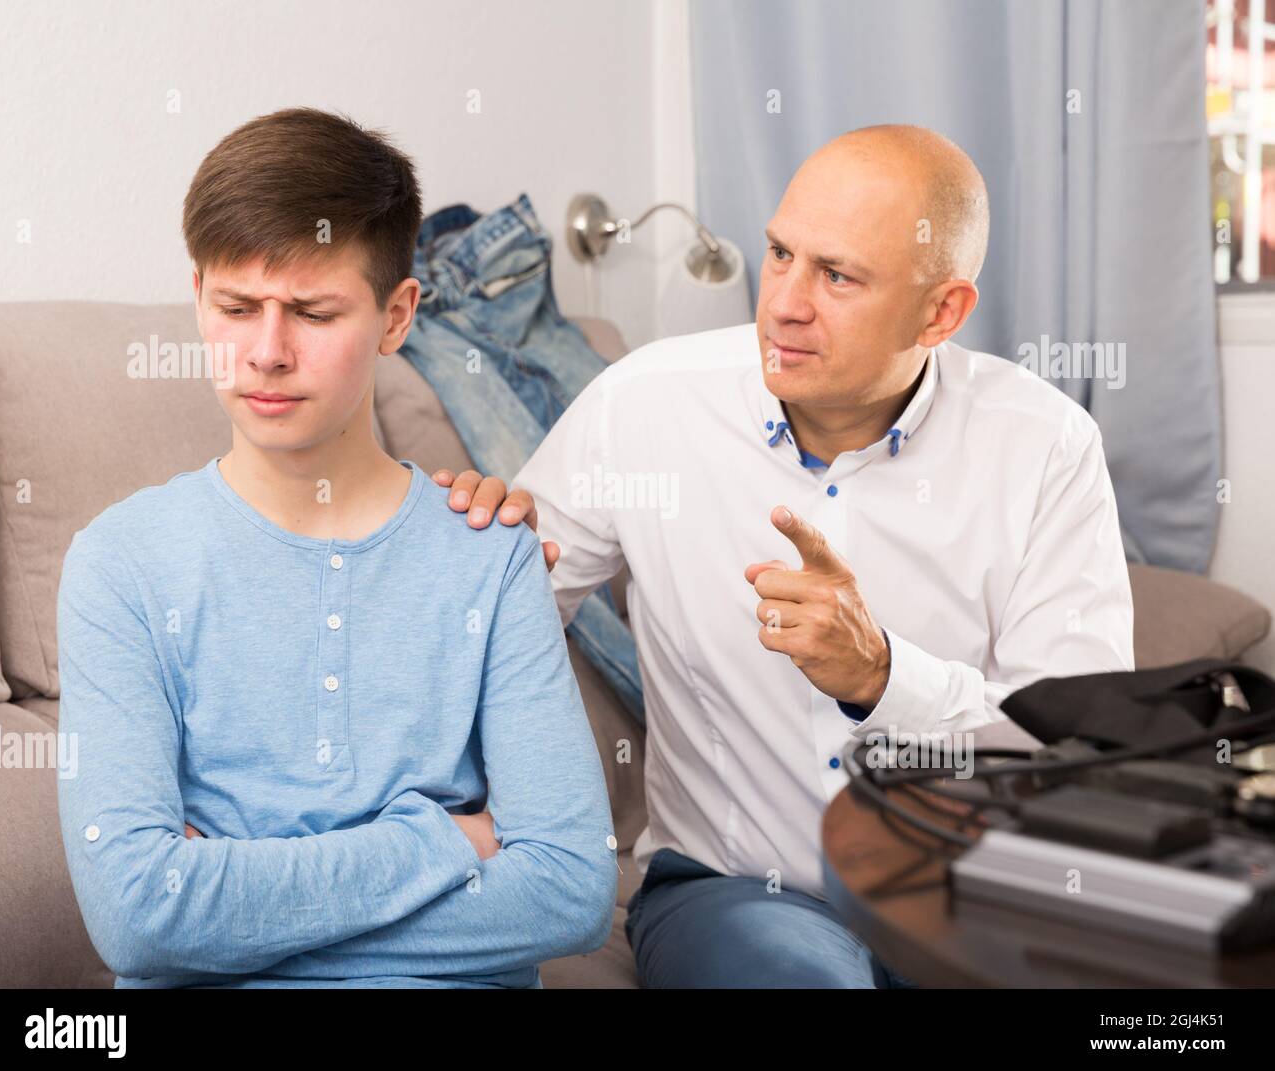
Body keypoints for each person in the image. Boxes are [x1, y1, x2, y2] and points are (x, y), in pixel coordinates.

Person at [435, 124, 1135, 988]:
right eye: (778, 255)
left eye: (837, 276)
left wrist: (883, 679)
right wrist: (451, 557)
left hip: (974, 891)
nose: (784, 305)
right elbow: (503, 624)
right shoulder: (645, 405)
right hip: (736, 896)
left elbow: (1076, 747)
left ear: (942, 311)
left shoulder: (1044, 445)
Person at [55, 107, 616, 989]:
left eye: (314, 313)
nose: (266, 354)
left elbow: (572, 891)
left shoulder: (490, 554)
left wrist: (236, 910)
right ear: (198, 298)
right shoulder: (119, 564)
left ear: (397, 317)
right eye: (237, 308)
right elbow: (135, 917)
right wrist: (435, 841)